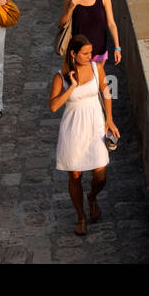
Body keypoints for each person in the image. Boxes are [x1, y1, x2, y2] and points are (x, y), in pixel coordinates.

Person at [50, 34, 118, 235]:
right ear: (73, 53)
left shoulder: (97, 68)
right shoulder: (60, 77)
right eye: (86, 53)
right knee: (75, 175)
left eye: (91, 52)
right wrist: (71, 86)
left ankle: (92, 197)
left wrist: (109, 119)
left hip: (95, 123)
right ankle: (81, 216)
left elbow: (106, 92)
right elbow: (53, 106)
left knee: (101, 174)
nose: (90, 56)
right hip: (73, 128)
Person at [58, 0, 122, 67]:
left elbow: (111, 23)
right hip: (79, 53)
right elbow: (62, 23)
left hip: (99, 51)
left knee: (96, 82)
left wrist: (117, 48)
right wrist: (71, 8)